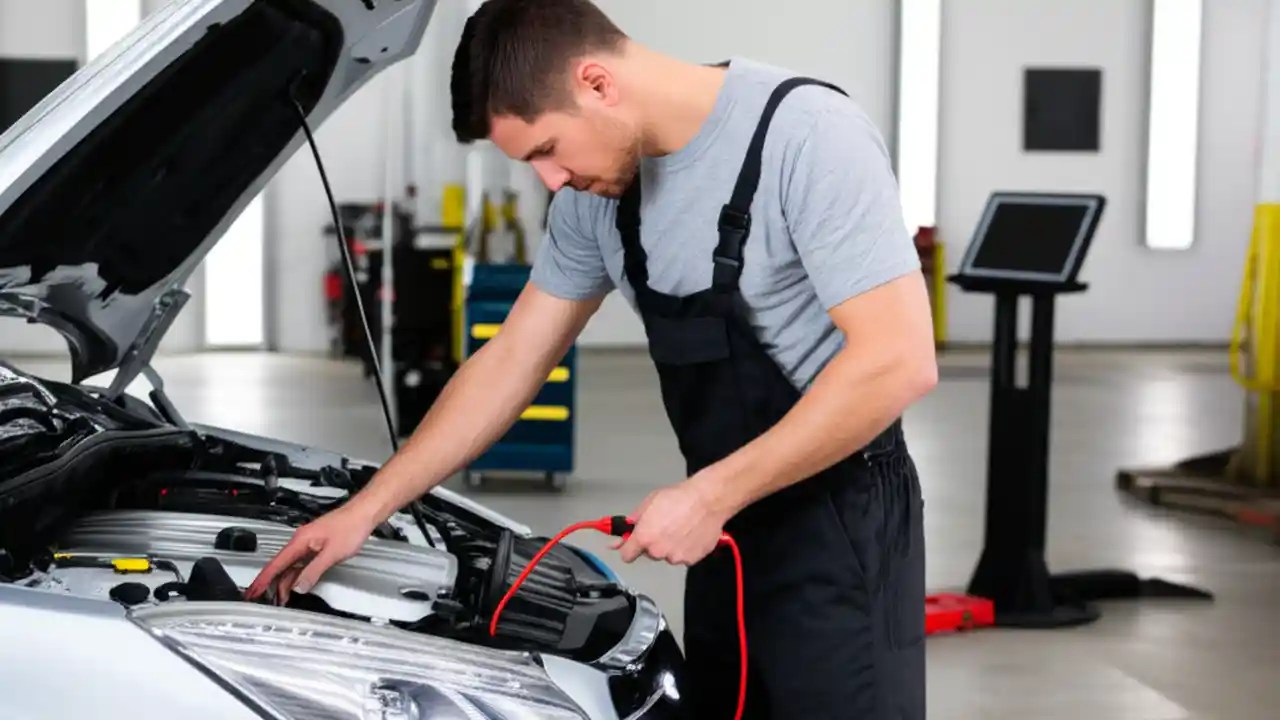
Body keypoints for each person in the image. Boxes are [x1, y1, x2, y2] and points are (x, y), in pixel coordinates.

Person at [249, 0, 937, 716]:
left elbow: (898, 361)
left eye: (546, 150)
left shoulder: (807, 137)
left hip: (842, 524)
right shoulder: (596, 198)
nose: (550, 182)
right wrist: (367, 509)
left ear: (597, 83)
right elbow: (510, 360)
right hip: (724, 533)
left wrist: (711, 495)